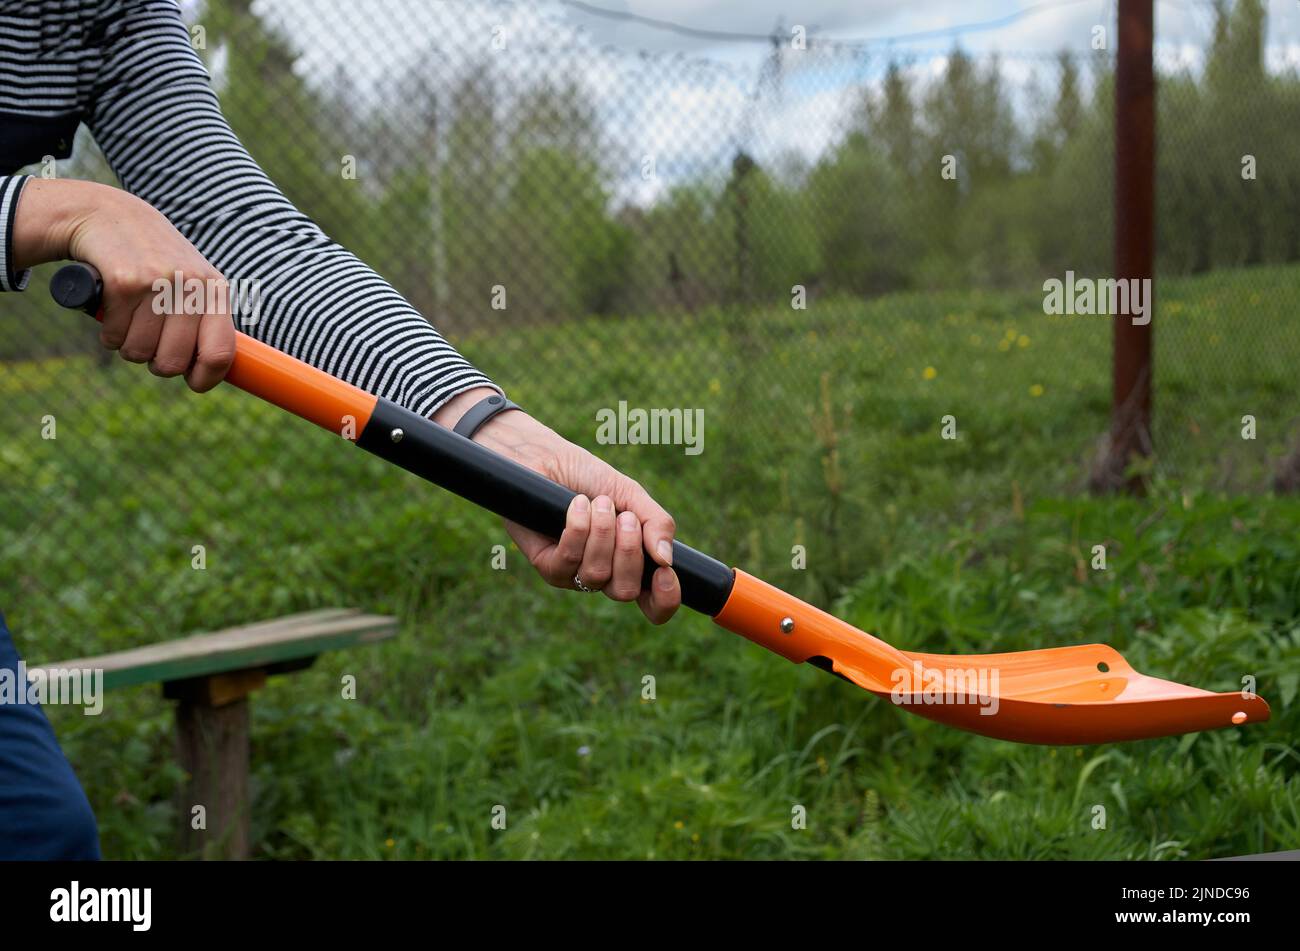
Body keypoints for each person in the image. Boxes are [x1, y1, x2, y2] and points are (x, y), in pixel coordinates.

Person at [0, 0, 680, 860]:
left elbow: (252, 248)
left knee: (37, 838)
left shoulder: (111, 15)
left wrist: (489, 435)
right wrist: (46, 211)